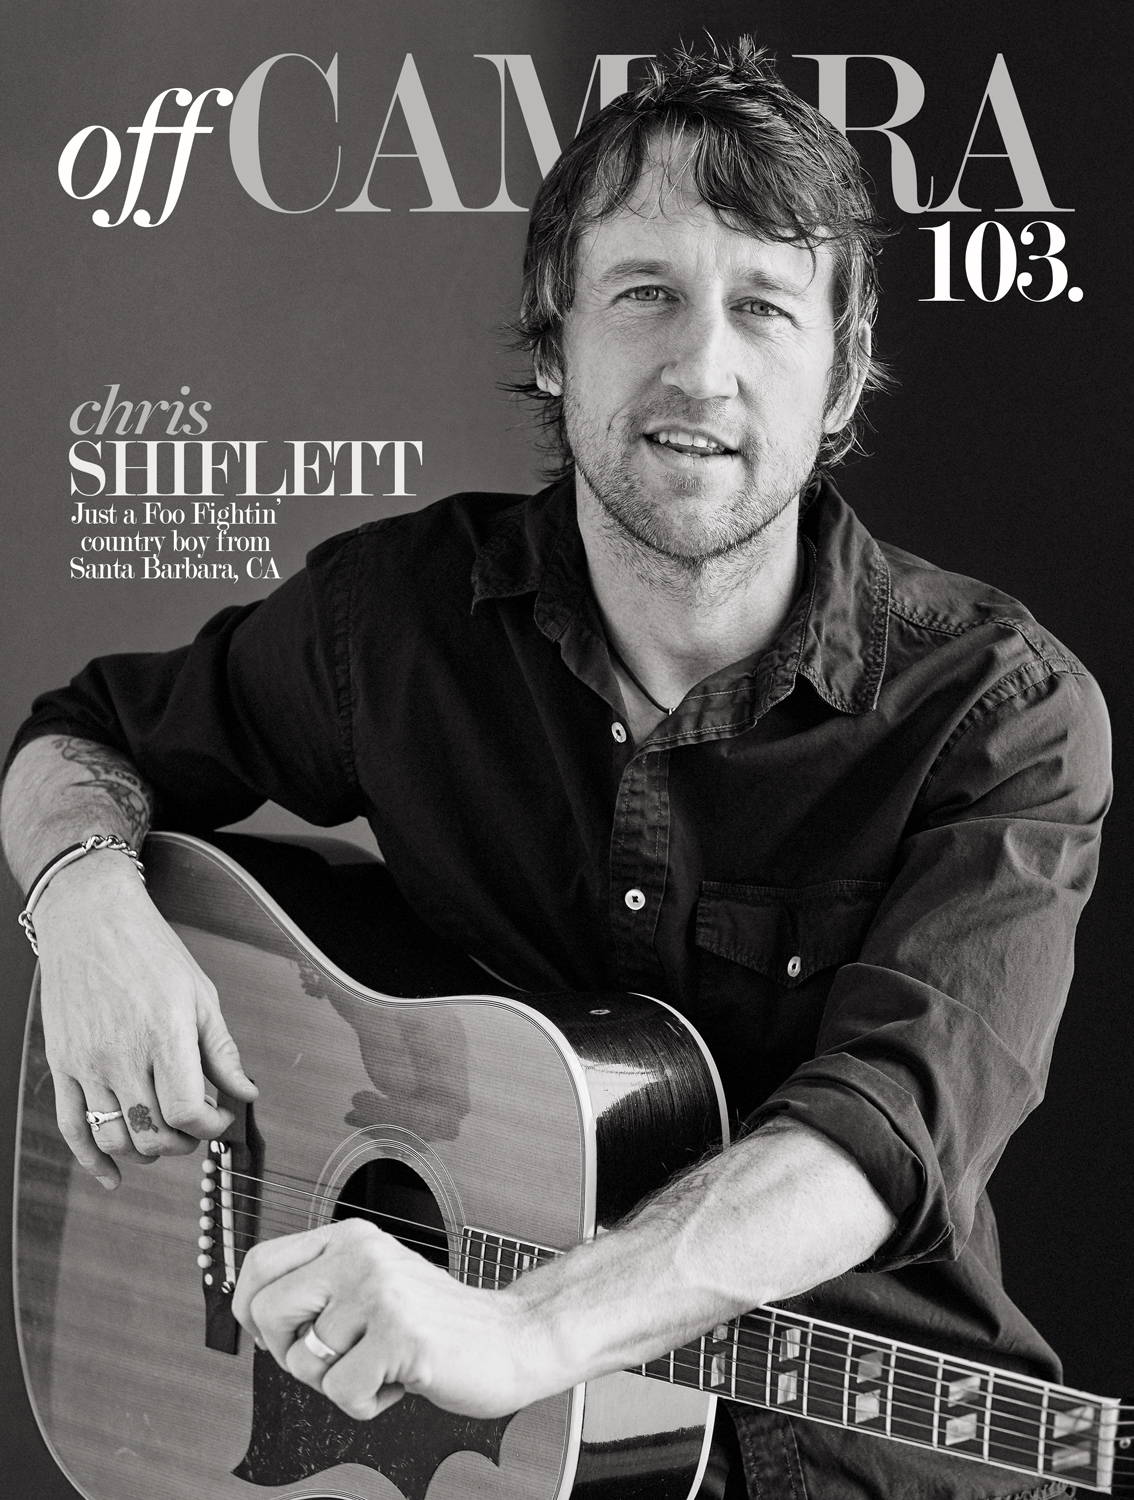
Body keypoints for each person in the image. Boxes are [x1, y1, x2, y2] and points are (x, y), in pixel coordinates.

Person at [1, 40, 1110, 1500]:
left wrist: (520, 1328)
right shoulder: (389, 619)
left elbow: (886, 1132)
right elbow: (76, 741)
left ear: (838, 380)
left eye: (762, 308)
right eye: (644, 293)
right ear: (552, 339)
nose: (699, 366)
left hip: (863, 1457)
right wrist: (82, 905)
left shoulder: (998, 714)